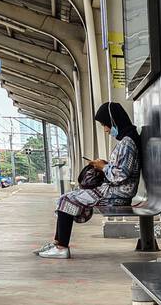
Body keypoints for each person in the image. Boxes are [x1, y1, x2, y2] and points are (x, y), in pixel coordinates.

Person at [36, 102, 140, 259]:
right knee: (67, 198)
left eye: (106, 125)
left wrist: (103, 167)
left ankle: (62, 247)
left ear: (114, 120)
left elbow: (120, 175)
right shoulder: (127, 140)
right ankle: (58, 243)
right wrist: (104, 165)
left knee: (67, 199)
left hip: (118, 194)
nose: (105, 130)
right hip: (114, 191)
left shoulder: (127, 143)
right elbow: (122, 170)